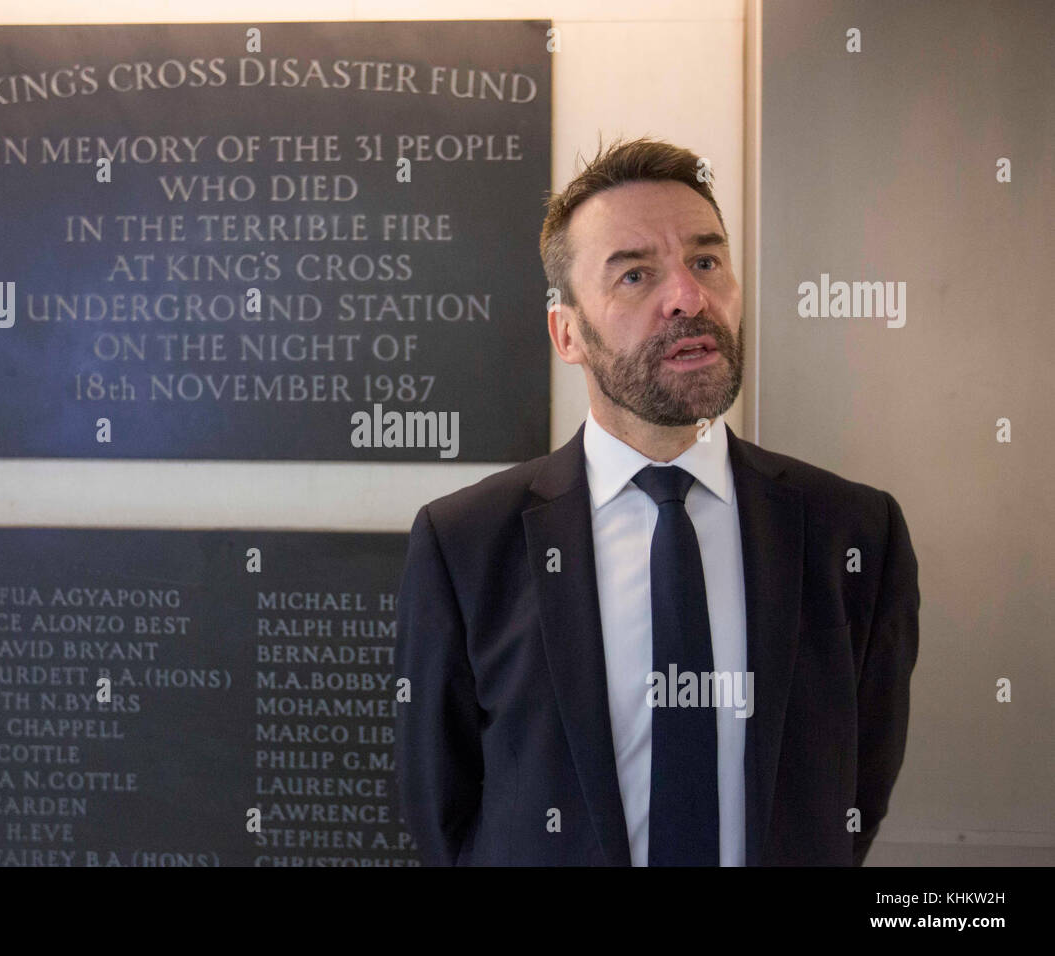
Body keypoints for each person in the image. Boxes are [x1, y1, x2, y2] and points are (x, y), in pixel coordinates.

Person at [393, 136, 919, 866]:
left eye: (705, 262)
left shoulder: (857, 533)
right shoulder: (466, 543)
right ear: (567, 332)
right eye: (636, 275)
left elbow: (859, 786)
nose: (688, 297)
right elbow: (439, 807)